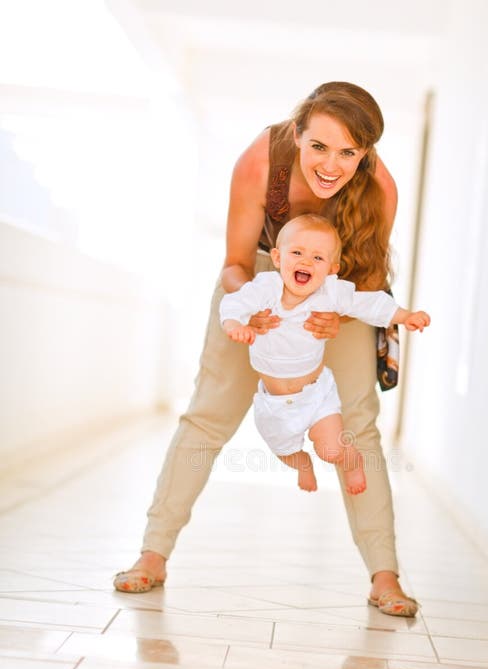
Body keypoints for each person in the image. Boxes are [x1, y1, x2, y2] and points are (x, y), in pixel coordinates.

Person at [113, 81, 419, 617]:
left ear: (365, 153)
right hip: (257, 279)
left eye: (348, 153)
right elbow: (233, 262)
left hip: (338, 290)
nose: (331, 165)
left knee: (357, 424)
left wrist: (334, 315)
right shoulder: (262, 161)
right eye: (319, 147)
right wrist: (253, 309)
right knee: (209, 415)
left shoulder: (380, 189)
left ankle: (385, 577)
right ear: (296, 134)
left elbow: (368, 285)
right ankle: (151, 556)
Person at [220, 213, 430, 495]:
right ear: (277, 257)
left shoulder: (330, 293)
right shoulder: (266, 288)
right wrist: (235, 324)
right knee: (282, 450)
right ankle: (301, 463)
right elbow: (236, 302)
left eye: (318, 258)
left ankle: (351, 459)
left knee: (331, 450)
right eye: (297, 253)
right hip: (274, 402)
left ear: (332, 269)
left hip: (316, 393)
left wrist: (405, 316)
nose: (306, 261)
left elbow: (368, 304)